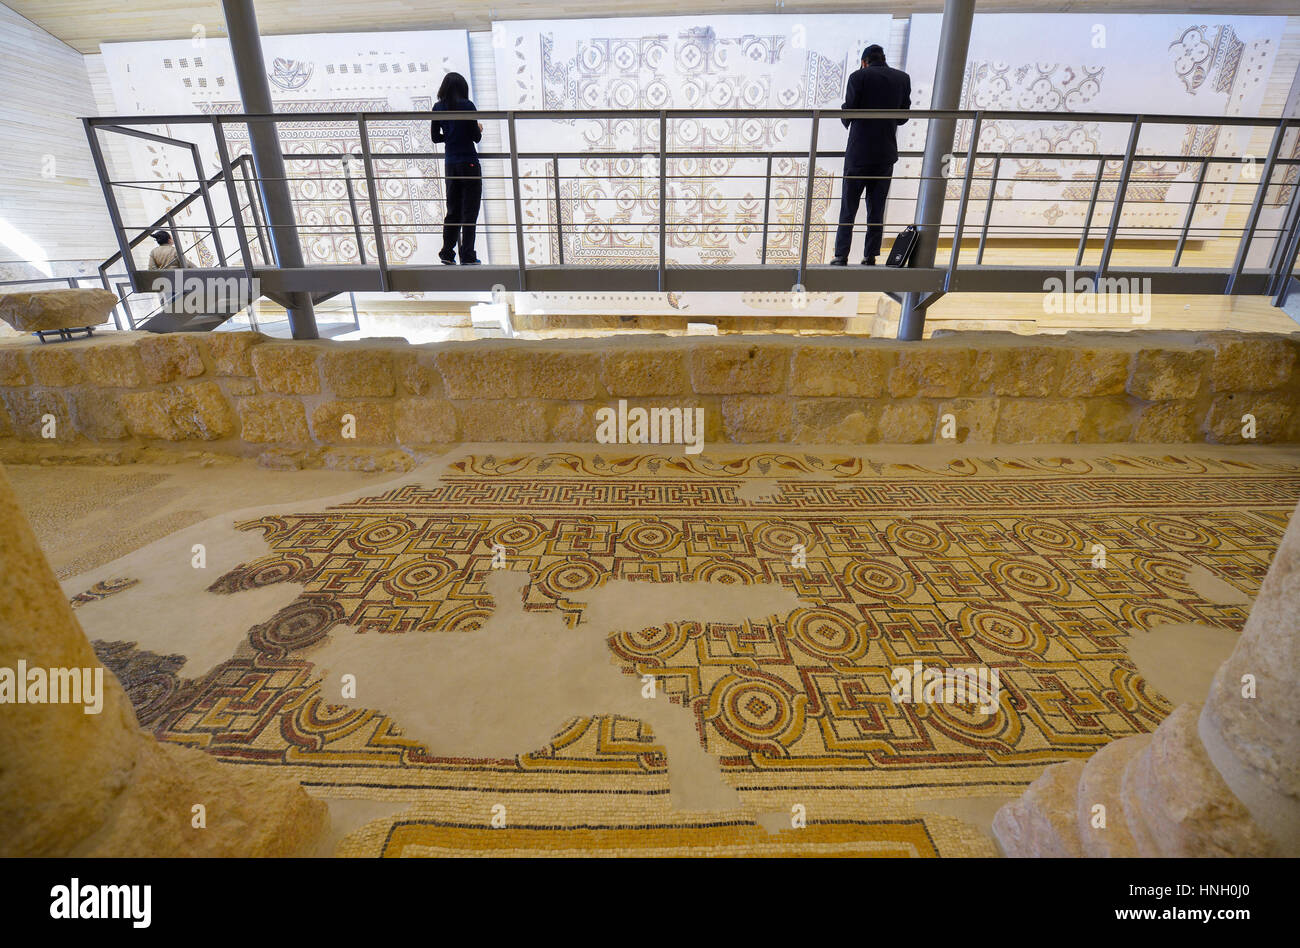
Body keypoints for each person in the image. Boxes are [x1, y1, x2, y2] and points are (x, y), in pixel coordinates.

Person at [831, 45, 911, 266]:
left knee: (849, 207)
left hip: (858, 153)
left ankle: (841, 256)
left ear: (864, 61)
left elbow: (849, 111)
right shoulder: (902, 78)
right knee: (876, 208)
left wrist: (845, 113)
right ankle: (870, 256)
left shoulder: (858, 77)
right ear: (883, 58)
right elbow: (903, 117)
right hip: (885, 153)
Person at [430, 71, 484, 265]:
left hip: (450, 164)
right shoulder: (468, 106)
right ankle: (467, 255)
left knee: (453, 210)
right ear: (462, 88)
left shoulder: (437, 108)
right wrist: (478, 128)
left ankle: (447, 252)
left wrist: (450, 137)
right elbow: (475, 138)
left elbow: (436, 137)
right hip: (469, 162)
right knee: (470, 210)